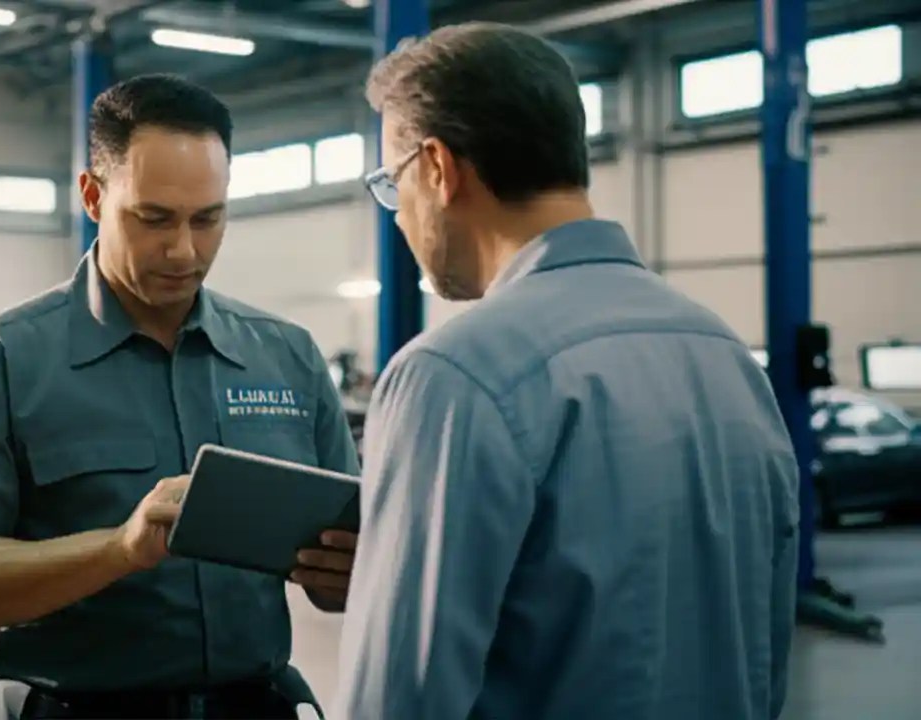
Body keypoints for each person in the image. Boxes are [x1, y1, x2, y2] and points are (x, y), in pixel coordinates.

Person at [335, 22, 800, 720]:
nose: (398, 217)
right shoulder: (727, 356)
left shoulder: (454, 375)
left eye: (390, 182)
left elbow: (399, 701)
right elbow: (764, 648)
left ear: (436, 167)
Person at [0, 74, 361, 720]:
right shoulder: (0, 360)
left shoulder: (288, 357)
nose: (183, 250)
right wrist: (119, 550)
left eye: (208, 219)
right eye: (153, 218)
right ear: (92, 195)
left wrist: (353, 576)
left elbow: (354, 563)